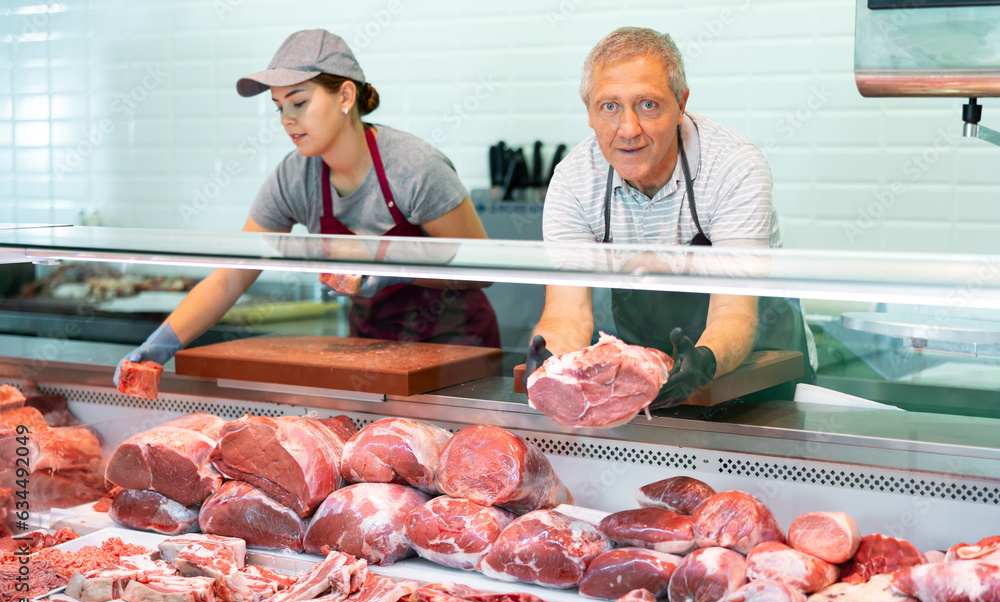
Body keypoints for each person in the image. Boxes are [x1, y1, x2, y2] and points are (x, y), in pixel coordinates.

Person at [115, 29, 500, 383]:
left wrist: (392, 267)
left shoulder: (413, 166)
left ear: (346, 97)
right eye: (279, 107)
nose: (287, 120)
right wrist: (162, 344)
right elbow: (232, 275)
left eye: (298, 102)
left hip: (456, 349)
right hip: (371, 352)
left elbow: (479, 267)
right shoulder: (295, 177)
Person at [527, 27, 814, 407]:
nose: (628, 130)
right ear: (590, 114)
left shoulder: (733, 166)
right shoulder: (573, 182)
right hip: (652, 380)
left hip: (761, 375)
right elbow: (568, 311)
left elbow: (735, 311)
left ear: (680, 104)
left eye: (648, 105)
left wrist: (703, 361)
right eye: (609, 107)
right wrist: (551, 362)